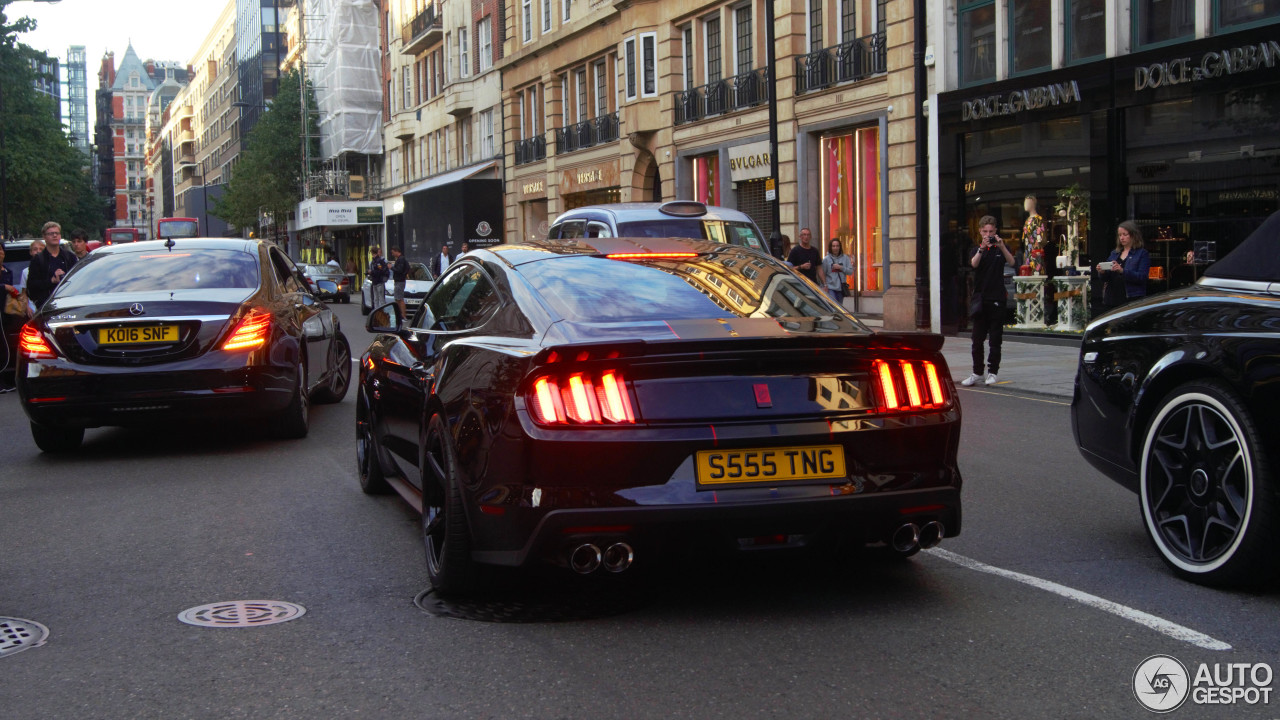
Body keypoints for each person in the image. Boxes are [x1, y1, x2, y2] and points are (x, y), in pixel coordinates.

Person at [963, 215, 1015, 387]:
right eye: (985, 231)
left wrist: (1001, 246)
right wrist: (982, 248)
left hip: (997, 298)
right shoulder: (976, 249)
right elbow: (974, 264)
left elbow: (1012, 262)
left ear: (996, 231)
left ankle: (993, 372)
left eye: (991, 231)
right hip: (980, 299)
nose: (988, 234)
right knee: (977, 340)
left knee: (995, 340)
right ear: (980, 231)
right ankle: (977, 372)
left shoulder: (1001, 247)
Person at [1096, 221, 1151, 310]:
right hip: (1111, 299)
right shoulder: (1114, 253)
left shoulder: (1142, 254)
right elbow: (1105, 278)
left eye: (1125, 234)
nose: (1122, 238)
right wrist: (1102, 272)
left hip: (1131, 299)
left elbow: (1142, 277)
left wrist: (1122, 271)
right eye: (1120, 235)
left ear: (1133, 235)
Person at [27, 222, 78, 310]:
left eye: (57, 233)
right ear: (44, 237)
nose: (55, 235)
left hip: (68, 304)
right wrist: (51, 281)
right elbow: (31, 286)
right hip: (46, 307)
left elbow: (77, 280)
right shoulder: (38, 260)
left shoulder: (70, 257)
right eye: (51, 234)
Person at [0, 244, 17, 392]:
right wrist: (3, 287)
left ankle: (5, 381)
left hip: (6, 314)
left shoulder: (7, 271)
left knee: (3, 349)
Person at [821, 238, 853, 306]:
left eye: (837, 246)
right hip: (830, 288)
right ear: (831, 247)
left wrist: (841, 268)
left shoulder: (845, 258)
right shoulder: (826, 259)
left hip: (841, 288)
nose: (835, 248)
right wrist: (824, 285)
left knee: (839, 307)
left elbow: (850, 271)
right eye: (833, 246)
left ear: (840, 247)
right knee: (834, 306)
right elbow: (822, 273)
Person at [391, 245, 410, 319]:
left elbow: (399, 270)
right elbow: (407, 267)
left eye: (393, 252)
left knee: (399, 299)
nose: (392, 254)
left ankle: (403, 315)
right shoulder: (401, 259)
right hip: (399, 280)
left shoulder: (401, 259)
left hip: (399, 281)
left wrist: (391, 267)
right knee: (397, 298)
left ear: (396, 251)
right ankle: (400, 314)